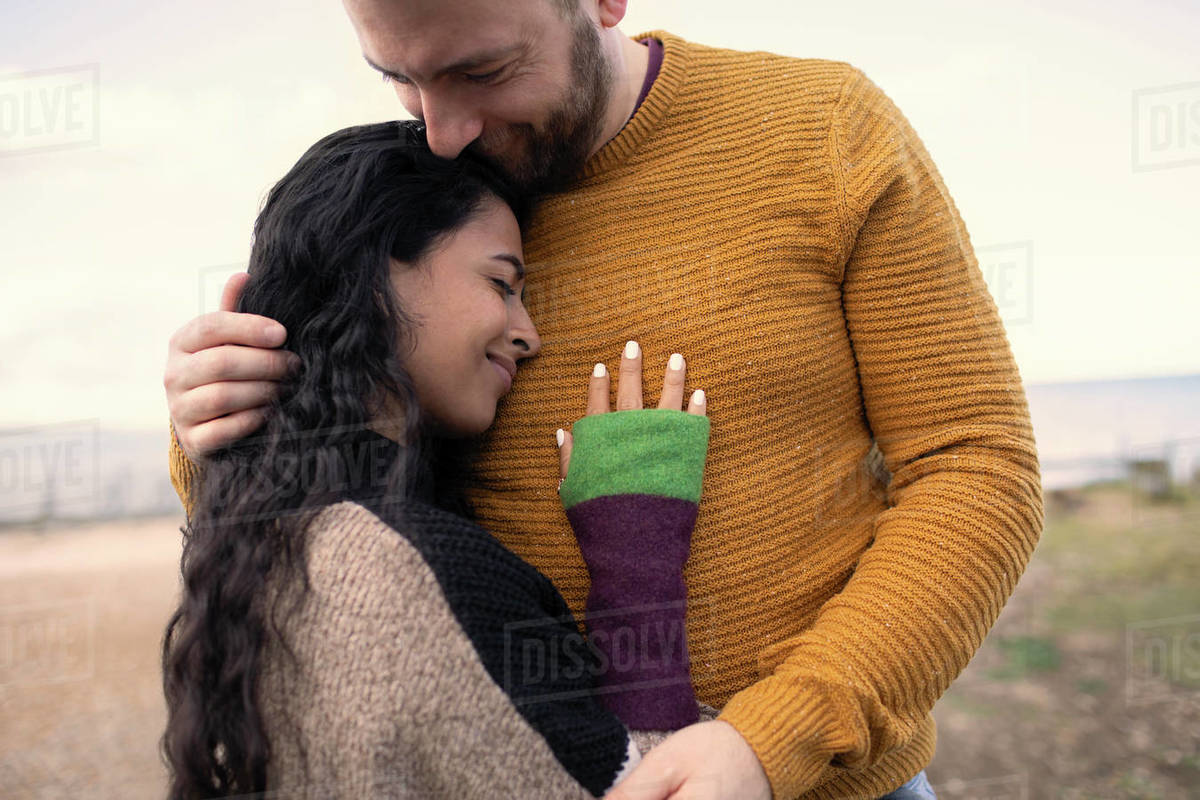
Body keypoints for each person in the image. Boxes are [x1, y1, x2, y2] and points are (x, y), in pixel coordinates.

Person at [162, 2, 1044, 798]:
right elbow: (347, 505)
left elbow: (978, 469)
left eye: (484, 71)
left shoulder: (824, 130)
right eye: (400, 78)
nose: (441, 129)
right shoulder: (439, 193)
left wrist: (776, 740)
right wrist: (215, 419)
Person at [160, 120, 716, 799]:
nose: (528, 334)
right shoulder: (420, 568)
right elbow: (654, 787)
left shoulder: (266, 535)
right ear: (378, 273)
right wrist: (638, 551)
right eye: (501, 284)